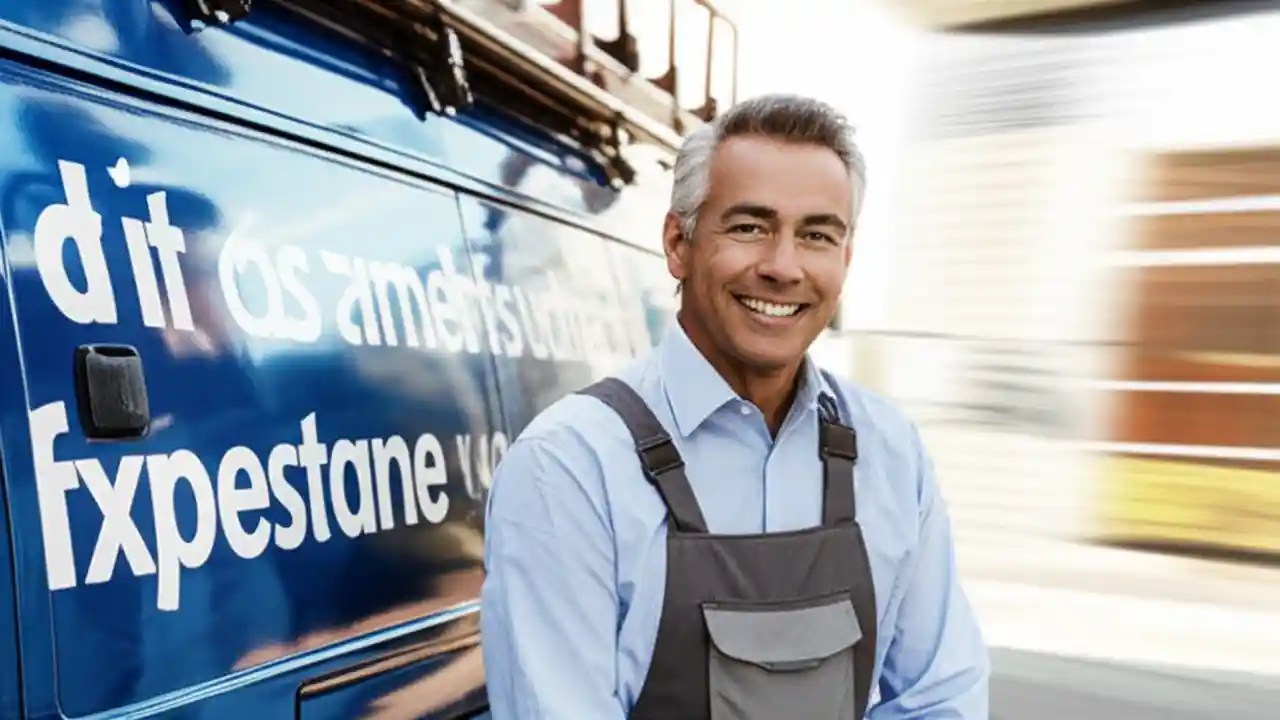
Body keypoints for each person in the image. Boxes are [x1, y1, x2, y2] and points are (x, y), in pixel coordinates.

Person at [480, 93, 990, 719]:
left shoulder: (891, 452)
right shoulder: (569, 467)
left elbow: (941, 700)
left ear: (845, 260)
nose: (782, 267)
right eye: (750, 227)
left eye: (817, 235)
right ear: (678, 243)